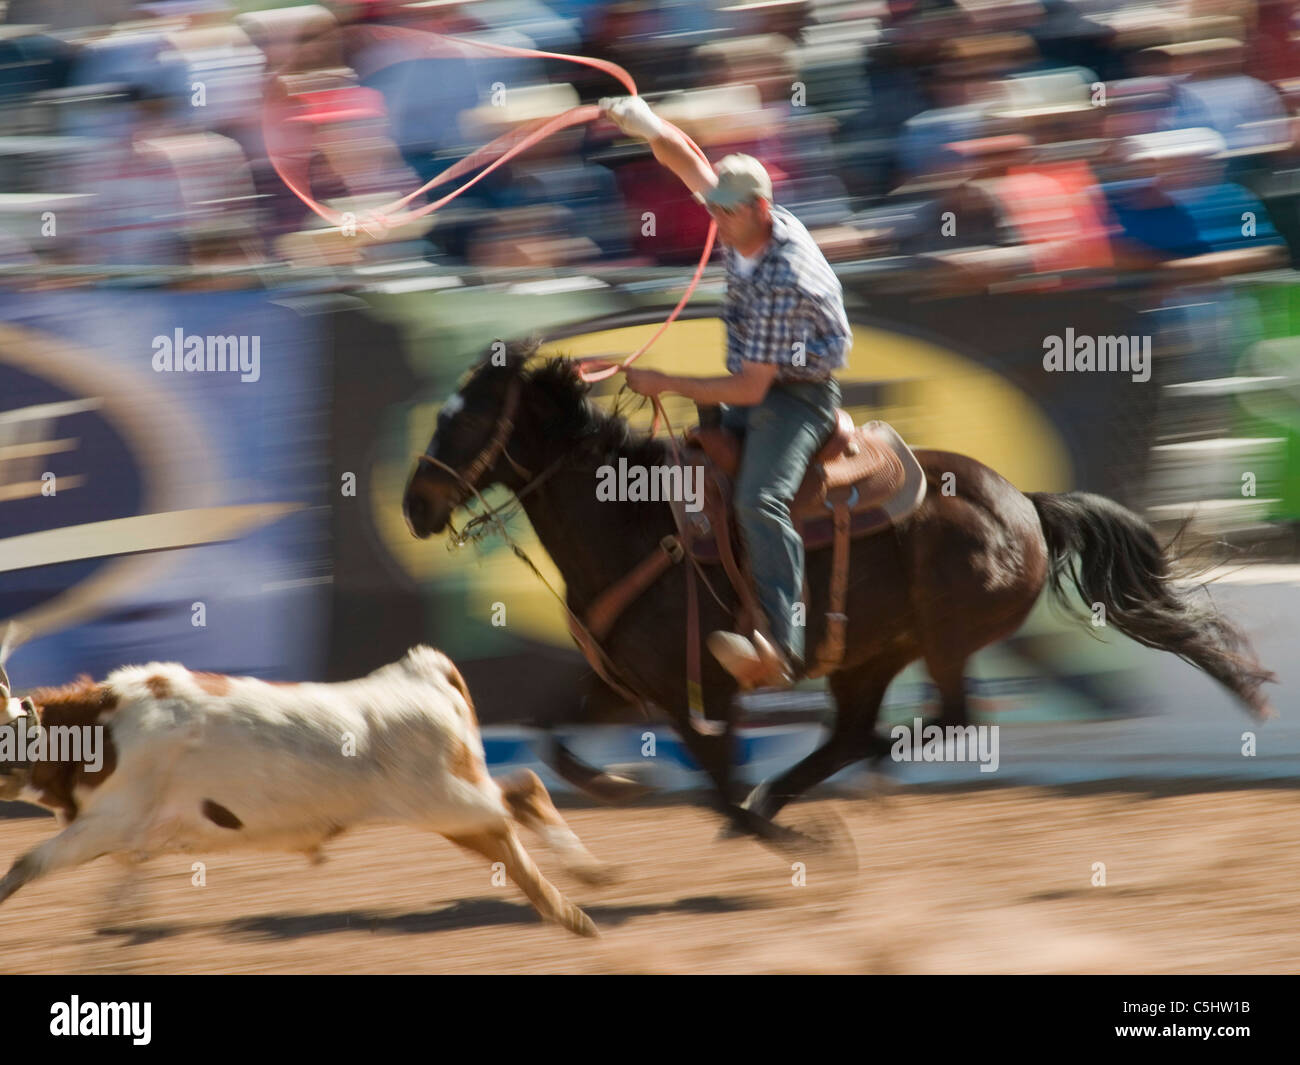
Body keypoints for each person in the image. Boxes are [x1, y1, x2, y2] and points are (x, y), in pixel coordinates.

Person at [599, 94, 852, 689]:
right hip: (762, 385)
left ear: (760, 209)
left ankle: (782, 646)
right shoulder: (742, 215)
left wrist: (666, 382)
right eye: (713, 211)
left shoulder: (783, 276)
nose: (714, 221)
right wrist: (648, 125)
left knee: (757, 501)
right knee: (687, 477)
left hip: (795, 397)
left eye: (726, 214)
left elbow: (750, 387)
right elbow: (690, 162)